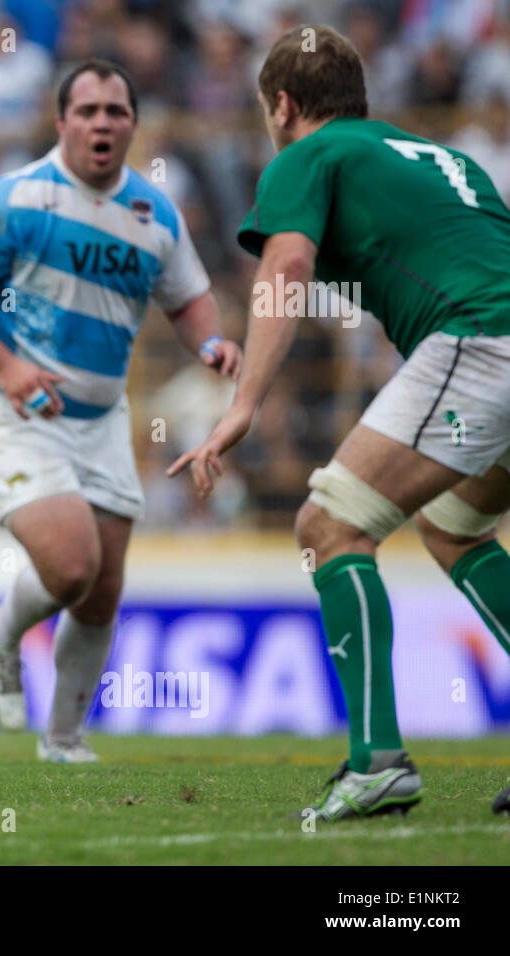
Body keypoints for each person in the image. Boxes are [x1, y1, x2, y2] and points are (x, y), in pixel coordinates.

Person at [169, 25, 510, 820]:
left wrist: (244, 403)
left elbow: (285, 267)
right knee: (455, 527)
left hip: (480, 342)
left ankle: (377, 762)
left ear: (281, 105)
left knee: (331, 522)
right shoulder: (444, 159)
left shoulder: (305, 157)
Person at [0, 60, 240, 763]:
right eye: (88, 110)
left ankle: (64, 741)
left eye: (116, 111)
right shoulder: (17, 199)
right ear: (62, 119)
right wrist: (5, 365)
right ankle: (0, 633)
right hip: (12, 408)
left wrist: (213, 340)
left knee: (102, 589)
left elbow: (188, 296)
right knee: (72, 566)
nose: (102, 123)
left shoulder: (154, 213)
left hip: (100, 419)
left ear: (132, 123)